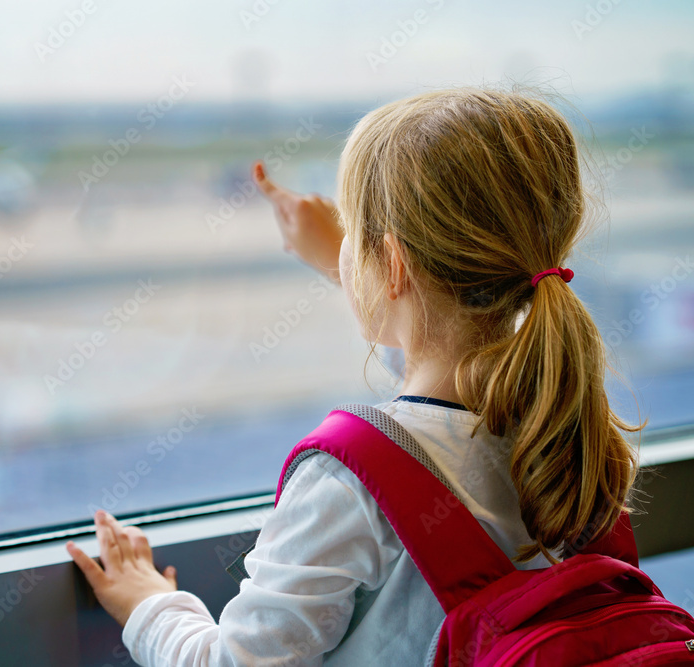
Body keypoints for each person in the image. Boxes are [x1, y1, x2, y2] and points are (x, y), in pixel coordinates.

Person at [65, 88, 640, 665]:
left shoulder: (351, 482)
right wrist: (351, 262)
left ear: (391, 264)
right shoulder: (569, 431)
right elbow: (445, 372)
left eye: (353, 232)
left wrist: (148, 604)